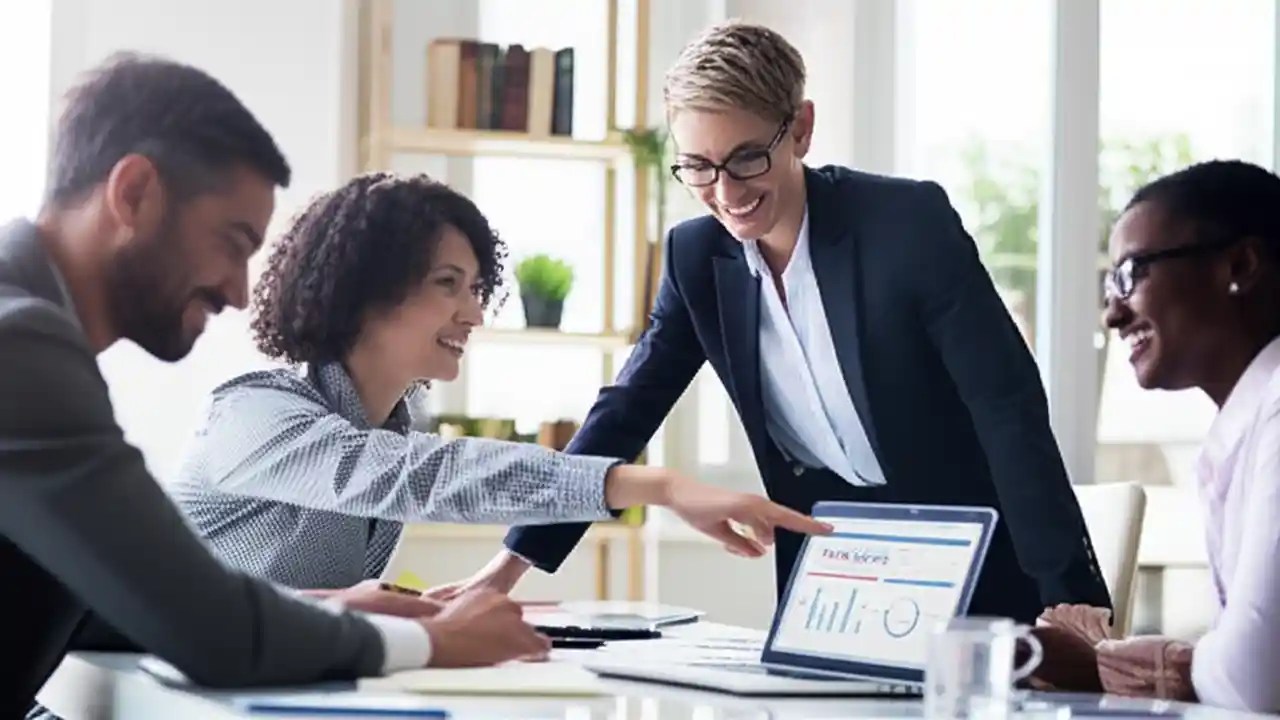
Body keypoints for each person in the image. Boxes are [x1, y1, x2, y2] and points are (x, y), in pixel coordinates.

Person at [440, 20, 1113, 624]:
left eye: (745, 159)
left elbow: (1006, 408)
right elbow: (623, 413)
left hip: (977, 565)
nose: (726, 192)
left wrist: (1068, 594)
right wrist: (506, 572)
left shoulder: (907, 226)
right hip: (834, 583)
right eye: (698, 167)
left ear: (801, 129)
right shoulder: (696, 259)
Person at [0, 52, 546, 717]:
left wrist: (333, 608)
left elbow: (108, 604)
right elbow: (210, 633)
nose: (239, 292)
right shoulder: (21, 346)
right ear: (134, 193)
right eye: (232, 243)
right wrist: (432, 642)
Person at [167, 170, 830, 591]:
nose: (475, 313)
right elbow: (418, 476)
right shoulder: (252, 415)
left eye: (476, 288)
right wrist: (656, 486)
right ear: (364, 292)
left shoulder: (389, 427)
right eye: (447, 284)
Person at [1030, 159, 1280, 713]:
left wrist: (1102, 664)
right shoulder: (1247, 423)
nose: (1112, 314)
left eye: (1130, 273)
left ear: (1240, 265)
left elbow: (1253, 680)